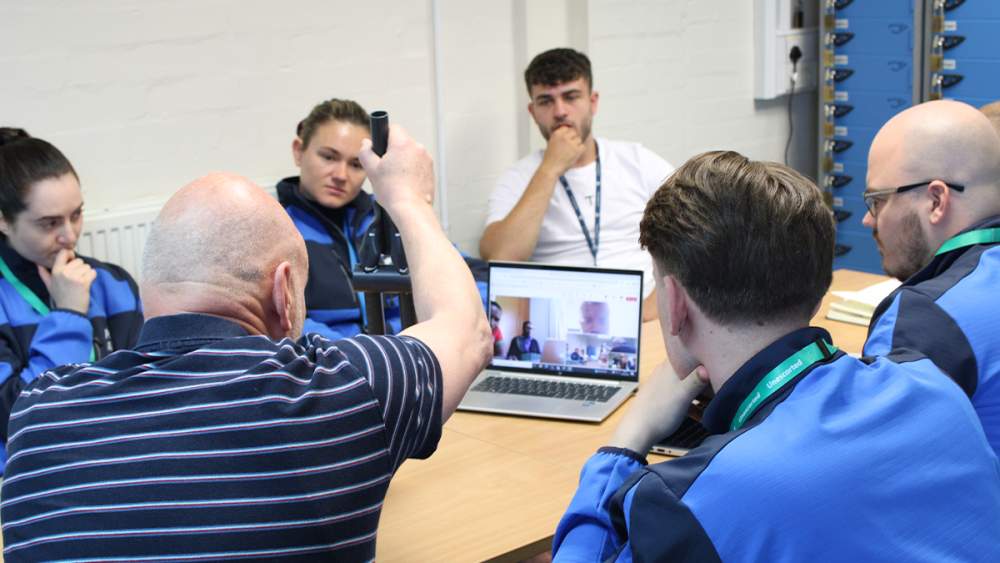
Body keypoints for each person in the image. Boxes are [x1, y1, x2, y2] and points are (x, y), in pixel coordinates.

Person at [0, 126, 492, 560]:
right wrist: (408, 199)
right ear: (284, 291)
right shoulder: (341, 390)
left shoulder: (37, 412)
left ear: (150, 289)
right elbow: (465, 331)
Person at [552, 151, 1000, 561]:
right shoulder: (935, 389)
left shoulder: (691, 501)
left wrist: (625, 444)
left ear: (674, 303)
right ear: (820, 285)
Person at [480, 48, 672, 320]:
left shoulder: (637, 160)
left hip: (646, 311)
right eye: (546, 101)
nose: (560, 111)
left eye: (571, 97)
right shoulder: (519, 177)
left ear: (593, 102)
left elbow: (696, 232)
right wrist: (550, 168)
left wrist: (657, 306)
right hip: (564, 317)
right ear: (533, 112)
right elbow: (500, 257)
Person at [861, 100, 1000, 455]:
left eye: (877, 200)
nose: (868, 220)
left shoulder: (924, 318)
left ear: (936, 200)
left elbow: (871, 462)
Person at [0, 128, 142, 474]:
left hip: (112, 462)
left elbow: (143, 387)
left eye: (76, 214)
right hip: (28, 476)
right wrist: (68, 316)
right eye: (49, 223)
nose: (70, 235)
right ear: (3, 220)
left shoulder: (114, 283)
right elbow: (17, 416)